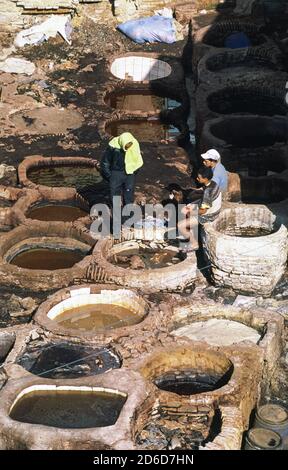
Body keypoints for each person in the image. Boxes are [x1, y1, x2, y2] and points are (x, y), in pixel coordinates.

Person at [177, 166, 221, 251]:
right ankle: (191, 233)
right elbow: (204, 198)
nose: (197, 179)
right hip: (213, 208)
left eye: (199, 178)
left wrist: (191, 212)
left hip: (210, 215)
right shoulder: (213, 183)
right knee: (187, 207)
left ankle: (194, 244)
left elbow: (203, 211)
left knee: (180, 225)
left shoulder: (208, 192)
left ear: (205, 179)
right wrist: (192, 205)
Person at [100, 132, 143, 205]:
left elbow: (138, 160)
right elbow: (105, 162)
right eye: (126, 145)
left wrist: (133, 171)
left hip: (129, 172)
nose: (128, 146)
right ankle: (117, 216)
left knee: (128, 196)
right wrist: (110, 176)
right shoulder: (113, 146)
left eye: (129, 144)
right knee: (114, 198)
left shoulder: (134, 144)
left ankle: (129, 215)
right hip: (116, 173)